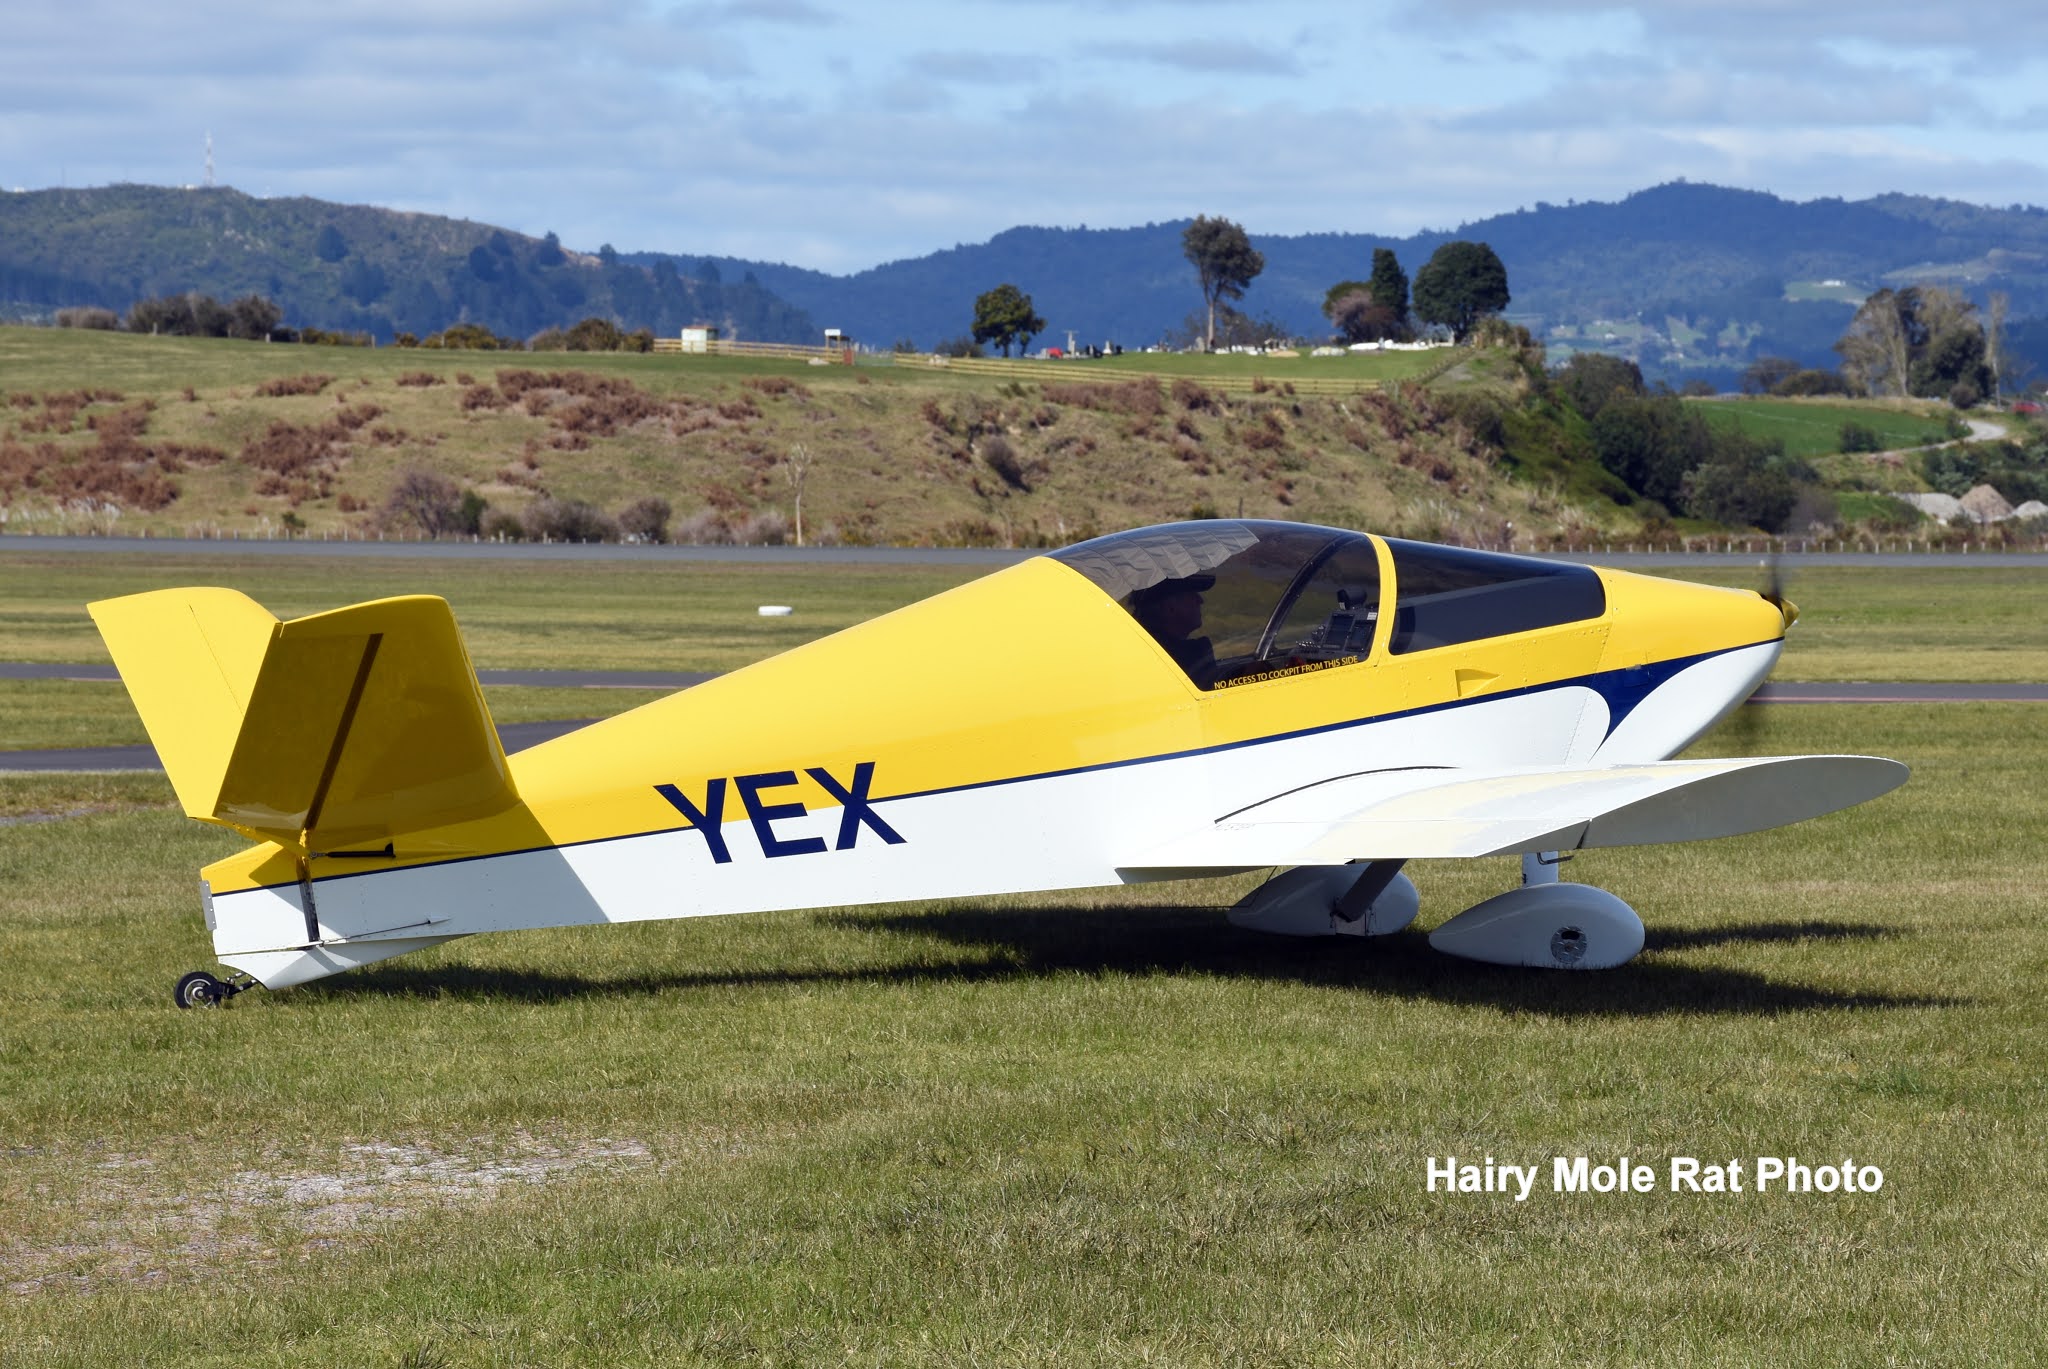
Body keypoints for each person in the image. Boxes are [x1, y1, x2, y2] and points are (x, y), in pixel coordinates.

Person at [1132, 574, 1217, 684]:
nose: (1200, 600)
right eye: (1191, 594)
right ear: (1169, 607)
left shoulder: (1139, 650)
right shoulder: (1191, 654)